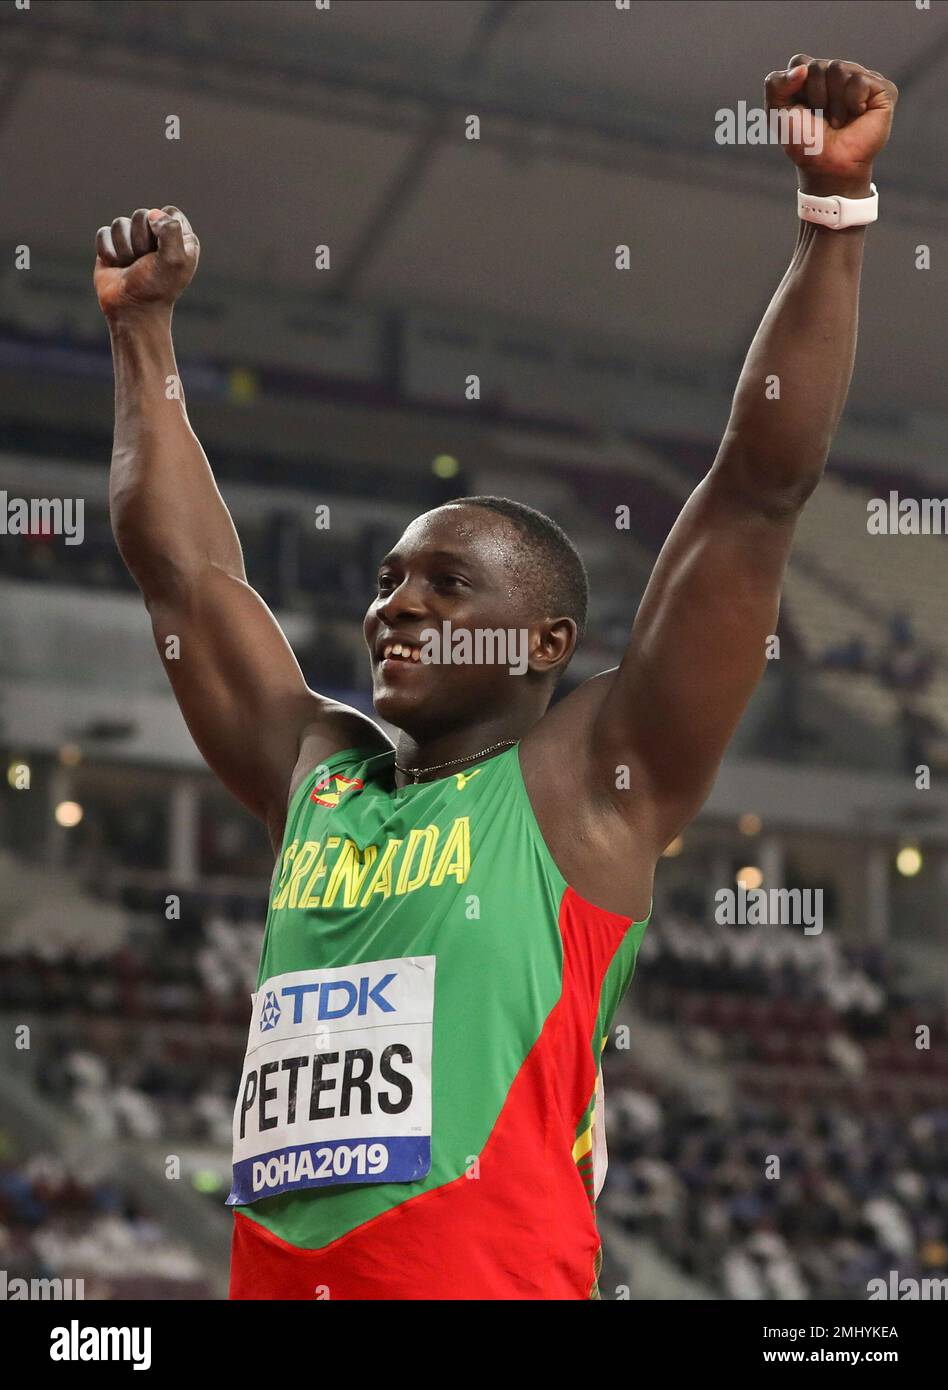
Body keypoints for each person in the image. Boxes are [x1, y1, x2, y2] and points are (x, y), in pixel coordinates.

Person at [95, 55, 897, 1299]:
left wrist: (832, 218)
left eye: (446, 585)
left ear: (545, 645)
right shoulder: (320, 772)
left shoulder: (593, 781)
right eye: (387, 582)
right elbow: (186, 577)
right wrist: (143, 337)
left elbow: (755, 493)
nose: (394, 607)